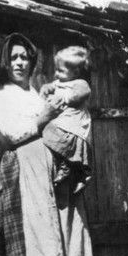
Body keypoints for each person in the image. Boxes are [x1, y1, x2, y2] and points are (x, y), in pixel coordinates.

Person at [0, 33, 98, 256]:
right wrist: (43, 117)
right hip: (25, 167)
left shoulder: (37, 92)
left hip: (53, 169)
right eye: (14, 58)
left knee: (64, 234)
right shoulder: (1, 98)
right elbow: (12, 133)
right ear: (5, 63)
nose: (20, 63)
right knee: (37, 239)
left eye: (25, 57)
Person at [39, 45, 92, 193]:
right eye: (56, 70)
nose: (56, 74)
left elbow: (83, 93)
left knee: (60, 139)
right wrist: (45, 89)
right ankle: (66, 165)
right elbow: (50, 86)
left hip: (73, 123)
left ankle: (70, 168)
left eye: (60, 71)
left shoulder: (80, 83)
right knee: (50, 135)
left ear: (75, 72)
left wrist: (65, 98)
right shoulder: (59, 82)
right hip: (63, 122)